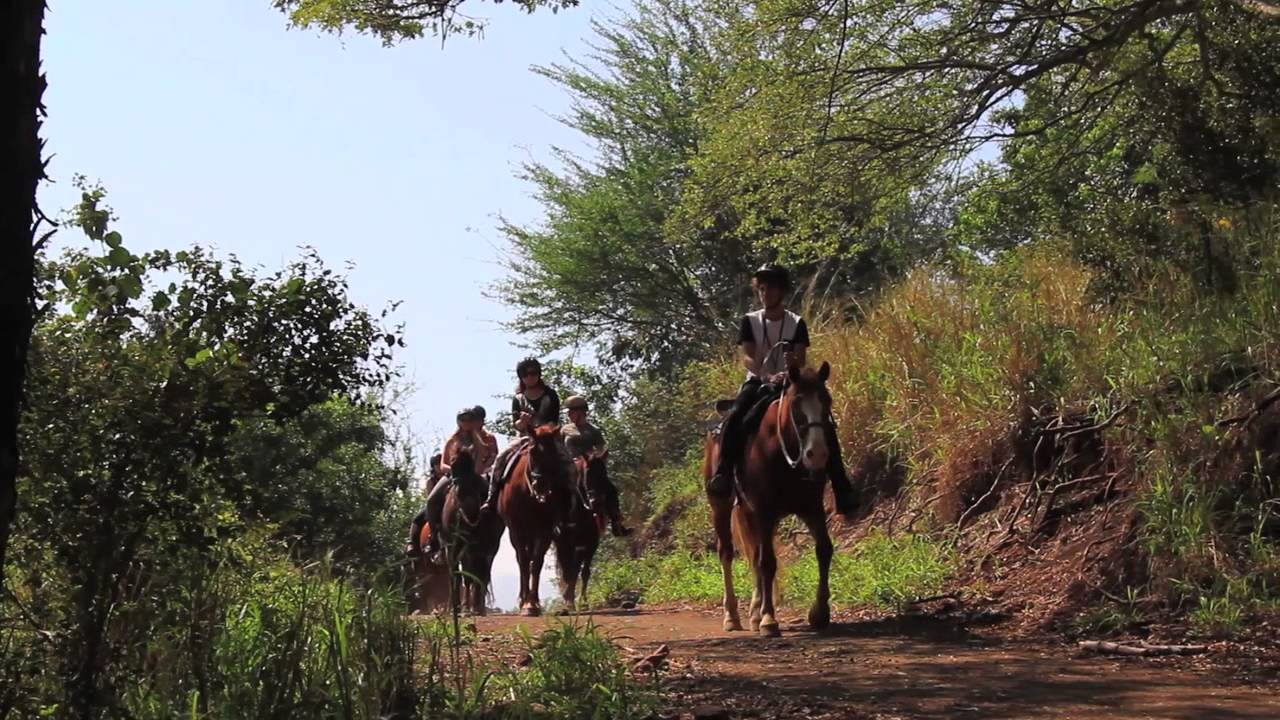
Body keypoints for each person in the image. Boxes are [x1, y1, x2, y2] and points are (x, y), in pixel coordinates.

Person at [707, 263, 858, 516]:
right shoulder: (750, 321)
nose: (765, 294)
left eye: (770, 289)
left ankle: (842, 487)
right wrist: (763, 372)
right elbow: (747, 356)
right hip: (757, 381)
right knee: (736, 416)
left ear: (781, 291)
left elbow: (800, 357)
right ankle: (723, 473)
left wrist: (790, 370)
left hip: (790, 382)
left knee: (825, 424)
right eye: (761, 289)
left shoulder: (796, 323)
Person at [481, 357, 568, 513]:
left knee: (569, 462)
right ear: (521, 377)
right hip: (524, 437)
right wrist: (522, 422)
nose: (530, 377)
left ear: (539, 374)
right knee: (501, 460)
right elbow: (516, 424)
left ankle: (577, 497)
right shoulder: (518, 398)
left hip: (547, 437)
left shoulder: (550, 395)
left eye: (533, 373)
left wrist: (540, 427)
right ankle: (492, 497)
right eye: (526, 374)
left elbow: (554, 421)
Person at [421, 407, 495, 559]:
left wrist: (473, 473)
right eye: (463, 420)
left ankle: (491, 535)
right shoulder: (452, 440)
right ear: (458, 422)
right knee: (432, 500)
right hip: (453, 476)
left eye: (469, 419)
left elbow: (481, 463)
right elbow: (442, 465)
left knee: (492, 497)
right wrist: (455, 470)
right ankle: (434, 537)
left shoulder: (479, 441)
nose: (466, 423)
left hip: (473, 476)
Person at [562, 395, 632, 536]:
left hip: (590, 465)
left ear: (581, 411)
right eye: (568, 412)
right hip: (571, 466)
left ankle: (616, 522)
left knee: (610, 489)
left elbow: (601, 448)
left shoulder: (593, 431)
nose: (569, 414)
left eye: (571, 411)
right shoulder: (564, 430)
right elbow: (558, 448)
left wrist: (596, 457)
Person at [406, 452, 443, 557]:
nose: (439, 466)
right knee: (417, 519)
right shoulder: (431, 481)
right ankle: (411, 543)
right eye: (437, 464)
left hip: (447, 505)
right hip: (435, 506)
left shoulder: (449, 478)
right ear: (433, 467)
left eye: (440, 463)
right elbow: (431, 497)